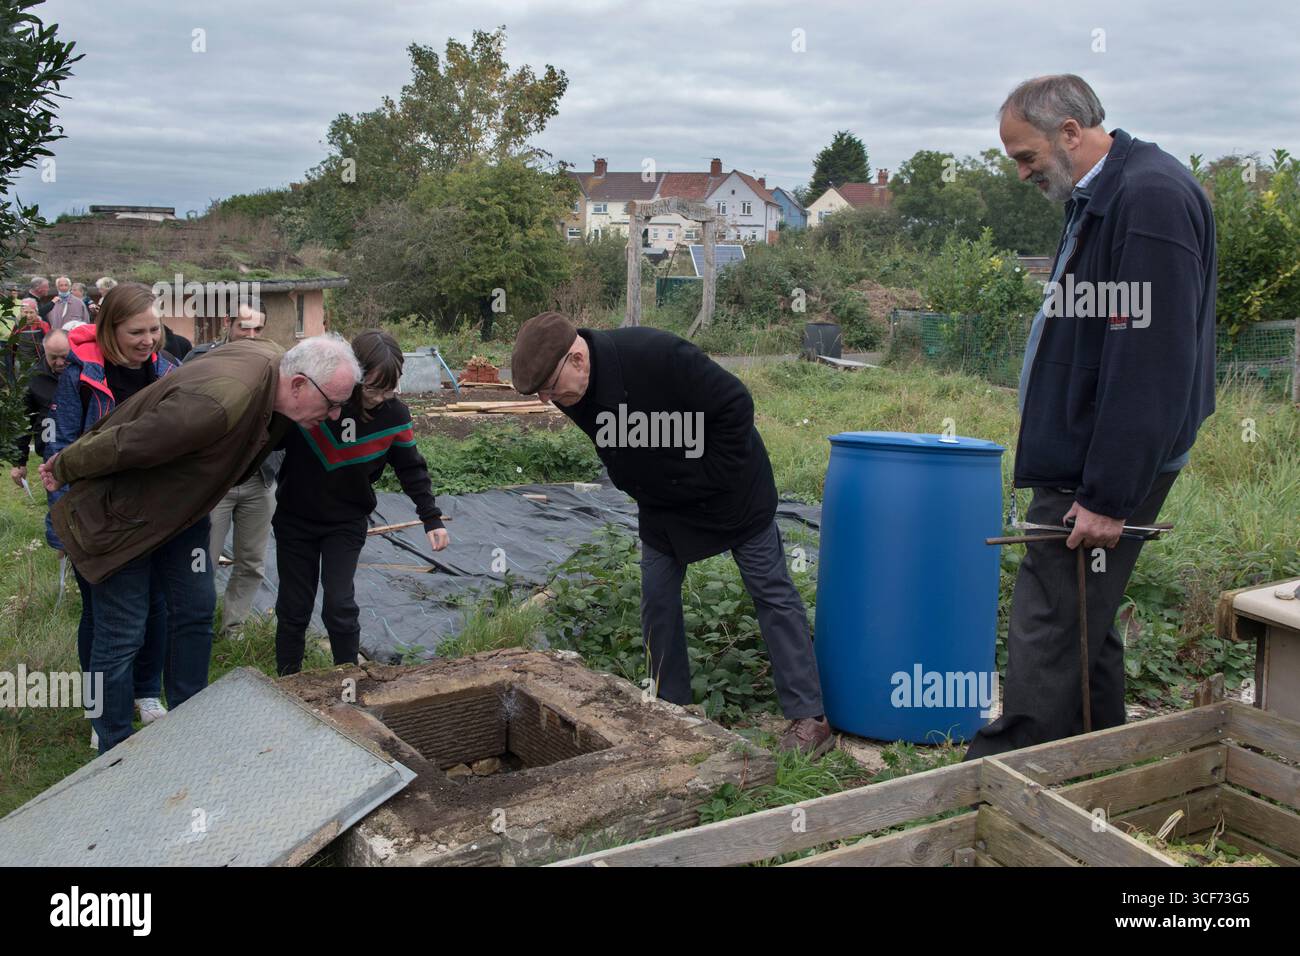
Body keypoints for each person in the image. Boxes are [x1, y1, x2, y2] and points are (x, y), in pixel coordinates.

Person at [964, 75, 1217, 759]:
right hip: (1089, 448)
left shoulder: (1149, 199)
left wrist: (1107, 494)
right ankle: (1100, 762)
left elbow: (1153, 360)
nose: (1021, 174)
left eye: (1026, 157)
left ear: (1070, 133)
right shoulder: (1106, 193)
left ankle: (1009, 773)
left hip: (1102, 463)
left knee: (1049, 615)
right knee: (1085, 609)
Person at [511, 312, 830, 755]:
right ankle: (671, 708)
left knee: (770, 590)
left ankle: (809, 717)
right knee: (657, 598)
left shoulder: (655, 354)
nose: (548, 400)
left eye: (549, 388)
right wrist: (637, 483)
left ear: (578, 358)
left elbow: (736, 405)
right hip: (664, 504)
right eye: (542, 393)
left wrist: (711, 476)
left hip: (731, 489)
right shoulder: (570, 391)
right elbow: (614, 441)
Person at [42, 330, 361, 752]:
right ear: (299, 384)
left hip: (182, 514)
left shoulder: (275, 371)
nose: (337, 416)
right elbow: (129, 440)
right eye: (333, 403)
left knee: (194, 610)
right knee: (122, 633)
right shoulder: (218, 405)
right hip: (121, 518)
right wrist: (65, 464)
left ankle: (189, 723)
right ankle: (113, 746)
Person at [47, 284, 182, 745]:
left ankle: (145, 692)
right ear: (109, 330)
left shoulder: (169, 370)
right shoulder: (81, 374)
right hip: (99, 518)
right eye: (136, 332)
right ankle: (105, 718)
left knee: (156, 608)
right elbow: (61, 447)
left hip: (155, 515)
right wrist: (62, 526)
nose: (149, 340)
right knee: (110, 621)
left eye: (154, 329)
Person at [273, 329, 448, 676]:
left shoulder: (395, 416)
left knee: (339, 605)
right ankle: (287, 680)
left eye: (389, 388)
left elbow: (411, 467)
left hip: (346, 522)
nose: (380, 398)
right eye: (372, 388)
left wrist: (432, 518)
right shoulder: (320, 407)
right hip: (296, 520)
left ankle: (347, 679)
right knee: (294, 607)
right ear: (354, 376)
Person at [187, 305, 281, 638]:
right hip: (214, 483)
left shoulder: (275, 364)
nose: (252, 336)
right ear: (227, 323)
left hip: (260, 479)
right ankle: (195, 624)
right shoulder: (200, 360)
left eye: (258, 330)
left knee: (252, 561)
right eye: (245, 328)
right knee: (203, 560)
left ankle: (234, 627)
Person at [8, 328, 68, 485]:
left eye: (64, 356)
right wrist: (18, 462)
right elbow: (23, 420)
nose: (60, 362)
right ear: (44, 352)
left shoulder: (86, 372)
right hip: (51, 451)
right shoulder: (32, 378)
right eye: (53, 357)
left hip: (81, 449)